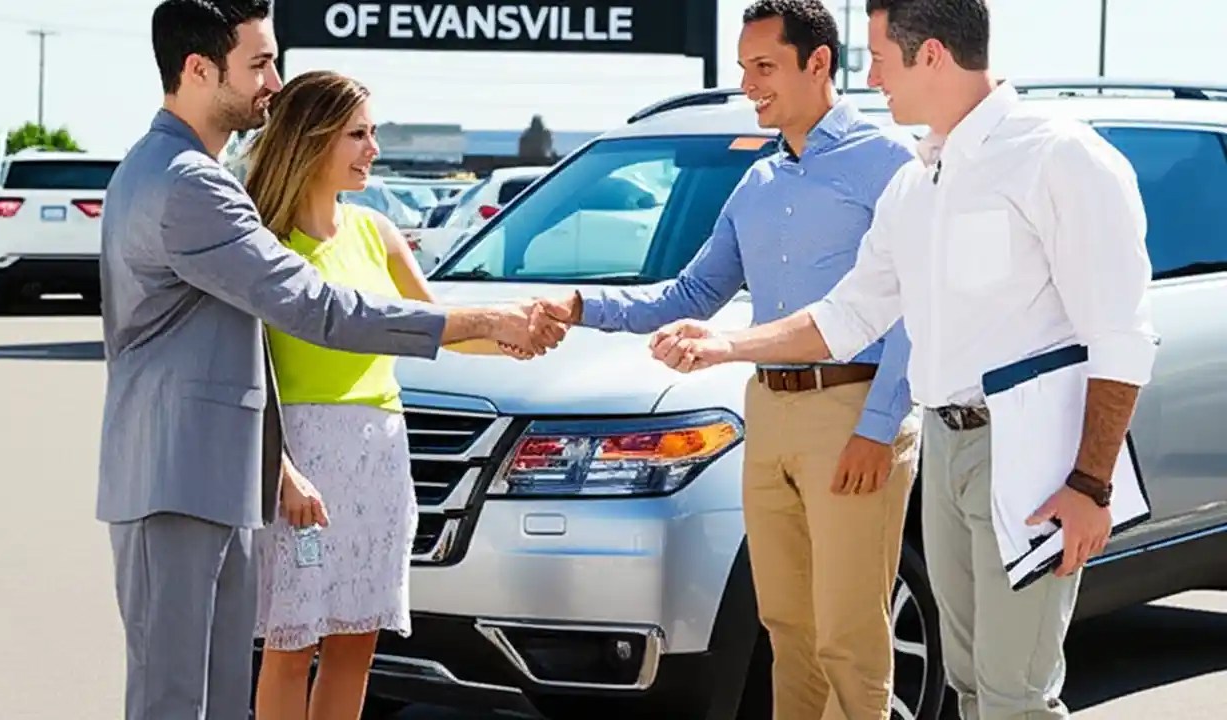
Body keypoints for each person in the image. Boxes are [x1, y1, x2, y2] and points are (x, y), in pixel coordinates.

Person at [648, 1, 1158, 718]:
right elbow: (848, 315)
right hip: (948, 447)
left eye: (881, 57)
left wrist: (1090, 484)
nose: (871, 76)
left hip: (1032, 455)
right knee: (971, 686)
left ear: (933, 57)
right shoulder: (918, 183)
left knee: (1017, 696)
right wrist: (728, 344)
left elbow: (1122, 333)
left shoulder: (1059, 155)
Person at [96, 3, 564, 719]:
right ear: (198, 69)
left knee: (217, 701)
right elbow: (317, 308)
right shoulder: (189, 183)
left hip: (208, 478)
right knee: (176, 702)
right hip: (180, 478)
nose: (273, 82)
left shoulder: (173, 170)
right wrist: (483, 320)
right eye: (257, 63)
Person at [530, 2, 918, 717]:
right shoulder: (759, 183)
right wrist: (583, 307)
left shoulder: (892, 163)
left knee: (848, 637)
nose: (750, 85)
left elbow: (914, 311)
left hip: (854, 412)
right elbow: (689, 294)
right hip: (766, 414)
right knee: (788, 631)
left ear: (819, 63)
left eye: (764, 67)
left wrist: (880, 425)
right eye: (744, 69)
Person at [242, 69, 527, 720]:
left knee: (356, 641)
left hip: (379, 457)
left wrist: (523, 333)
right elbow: (246, 374)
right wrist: (282, 472)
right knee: (291, 643)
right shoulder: (262, 245)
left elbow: (443, 331)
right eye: (359, 134)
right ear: (312, 140)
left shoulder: (377, 232)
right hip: (302, 465)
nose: (373, 149)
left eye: (373, 133)